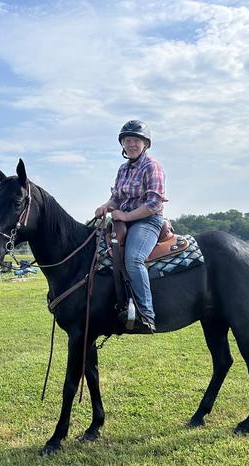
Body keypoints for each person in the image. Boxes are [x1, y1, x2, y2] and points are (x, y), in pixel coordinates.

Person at [94, 120, 168, 333]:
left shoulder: (152, 166)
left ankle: (146, 314)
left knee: (134, 259)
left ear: (146, 143)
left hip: (147, 221)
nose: (131, 144)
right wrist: (105, 206)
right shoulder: (123, 169)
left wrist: (126, 216)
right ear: (122, 144)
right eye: (127, 140)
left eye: (136, 140)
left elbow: (154, 204)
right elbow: (116, 198)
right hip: (122, 220)